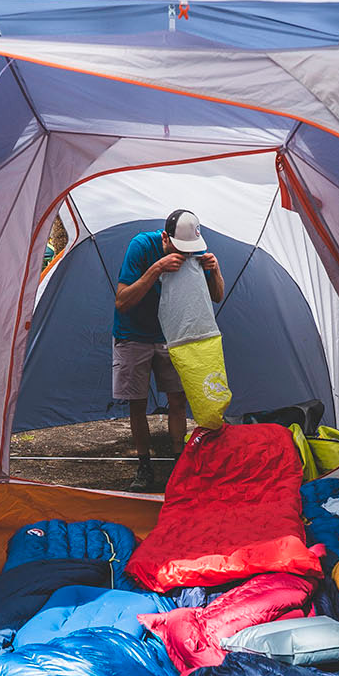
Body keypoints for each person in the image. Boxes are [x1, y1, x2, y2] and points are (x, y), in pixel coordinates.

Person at [113, 209, 224, 492]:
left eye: (190, 250)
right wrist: (157, 268)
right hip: (133, 335)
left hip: (172, 336)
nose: (185, 255)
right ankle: (144, 466)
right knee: (137, 403)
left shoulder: (196, 252)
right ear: (165, 237)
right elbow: (122, 302)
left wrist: (215, 270)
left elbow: (217, 296)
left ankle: (179, 463)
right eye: (178, 249)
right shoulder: (141, 246)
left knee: (178, 400)